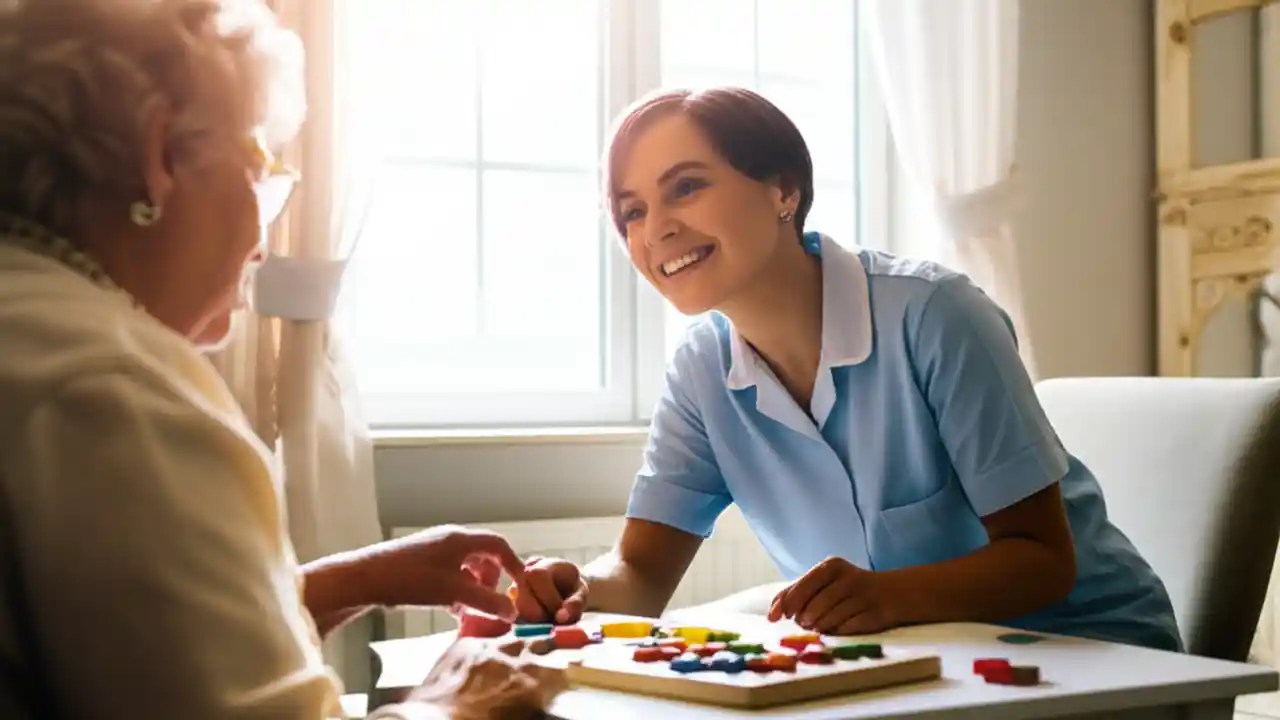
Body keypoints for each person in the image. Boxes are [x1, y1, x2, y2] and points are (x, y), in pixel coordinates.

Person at [0, 1, 563, 718]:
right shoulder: (114, 388)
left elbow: (122, 638)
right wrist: (451, 708)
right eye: (258, 165)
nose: (261, 243)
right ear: (161, 155)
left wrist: (355, 579)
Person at [513, 86, 1183, 652]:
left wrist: (887, 596)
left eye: (685, 188)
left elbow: (1042, 562)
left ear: (783, 189)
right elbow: (639, 573)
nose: (655, 228)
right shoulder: (698, 372)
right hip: (913, 660)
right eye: (632, 212)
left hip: (1091, 652)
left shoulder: (937, 315)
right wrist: (577, 590)